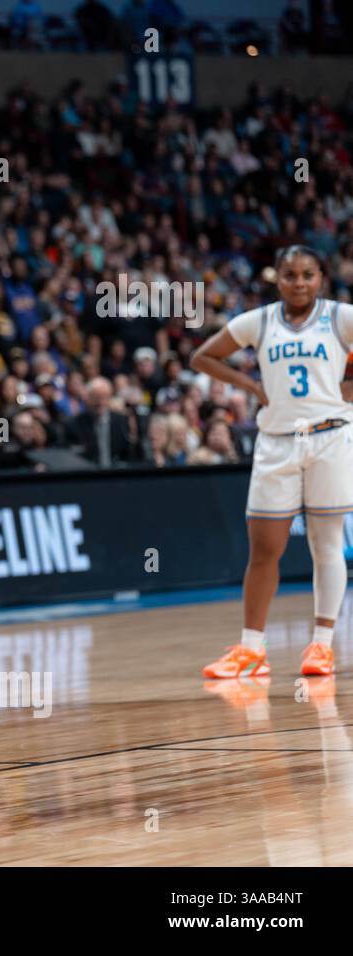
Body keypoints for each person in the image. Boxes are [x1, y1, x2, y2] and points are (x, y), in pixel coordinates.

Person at [192, 245, 353, 680]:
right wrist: (250, 385)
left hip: (331, 438)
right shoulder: (259, 321)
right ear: (276, 278)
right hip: (277, 443)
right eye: (289, 275)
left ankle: (321, 645)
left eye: (307, 274)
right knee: (264, 549)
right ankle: (251, 650)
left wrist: (349, 388)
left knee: (326, 545)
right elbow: (201, 356)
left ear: (321, 277)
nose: (298, 282)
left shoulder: (340, 317)